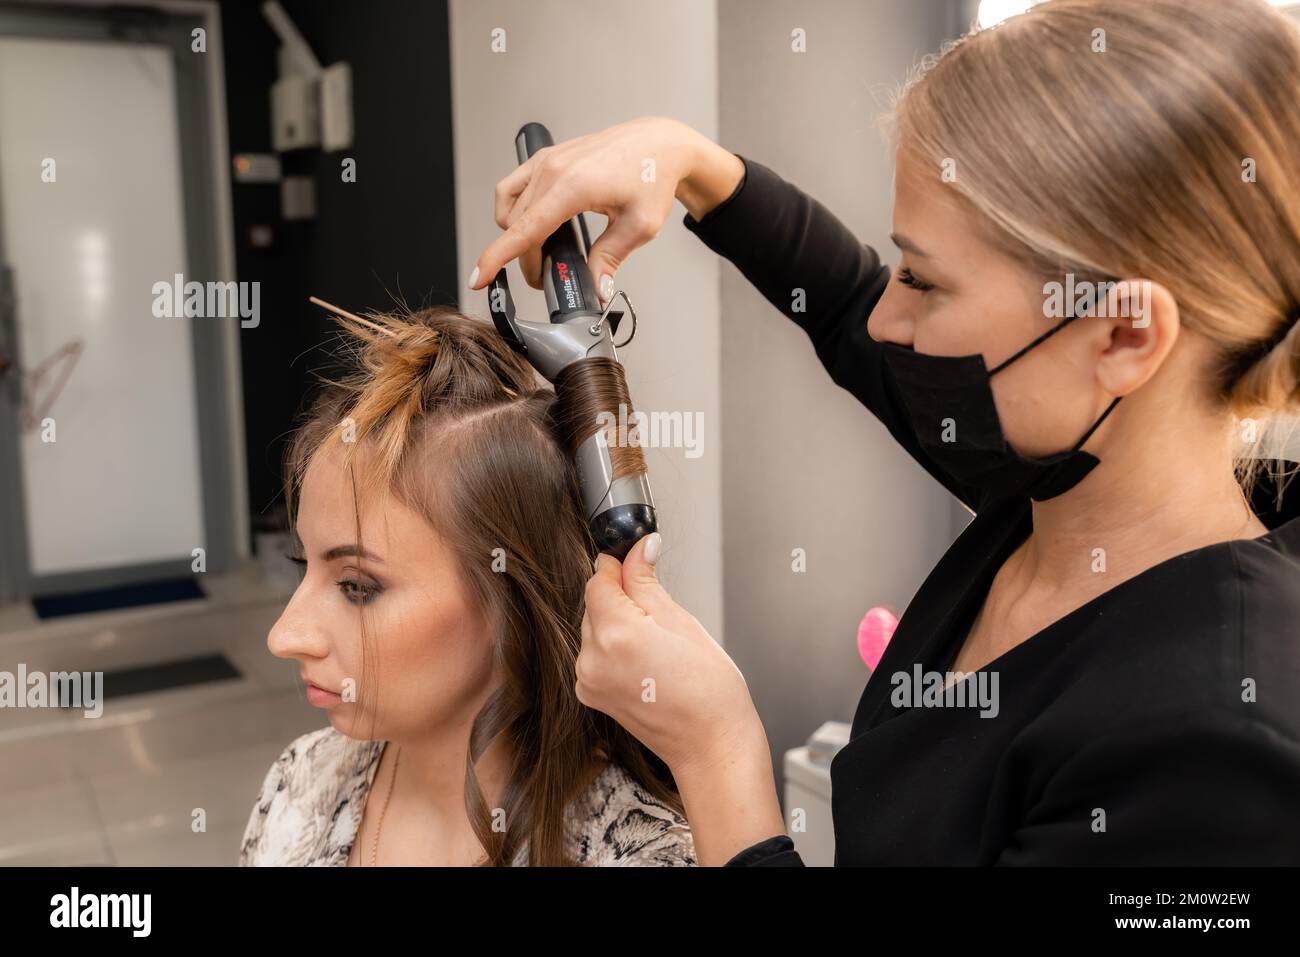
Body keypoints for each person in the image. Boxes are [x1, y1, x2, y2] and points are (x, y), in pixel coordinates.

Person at [470, 0, 1300, 865]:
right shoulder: (1061, 485)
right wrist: (687, 161)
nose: (885, 318)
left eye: (926, 283)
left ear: (1124, 336)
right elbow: (840, 297)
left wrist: (719, 757)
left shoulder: (1220, 755)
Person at [238, 304, 695, 866]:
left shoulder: (636, 853)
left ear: (514, 599)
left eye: (358, 587)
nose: (285, 636)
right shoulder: (300, 783)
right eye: (301, 561)